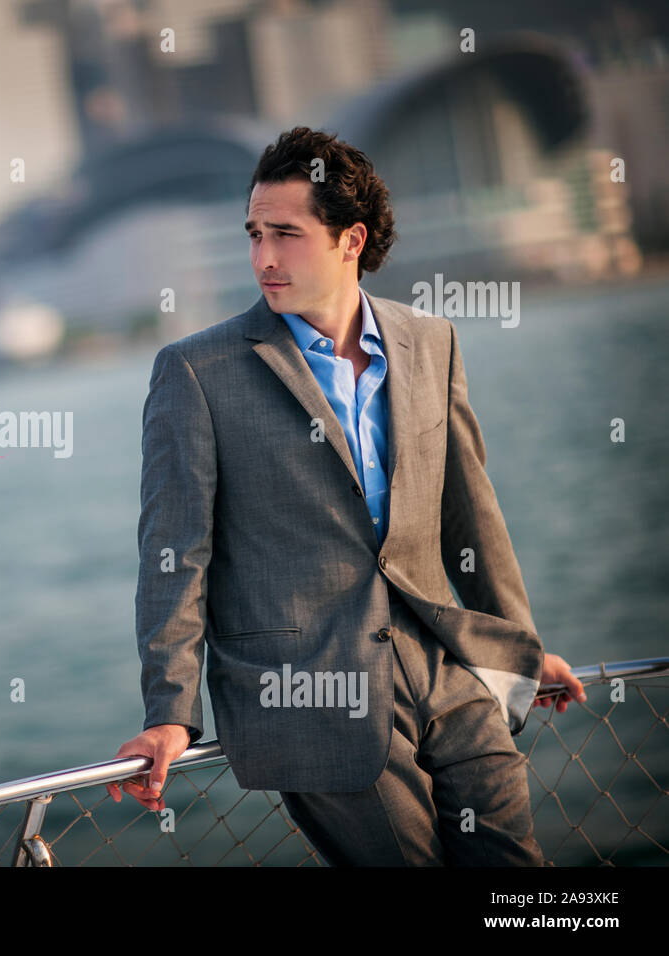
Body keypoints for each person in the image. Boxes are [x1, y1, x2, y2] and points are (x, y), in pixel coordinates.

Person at [107, 126, 585, 866]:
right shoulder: (196, 372)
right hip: (311, 699)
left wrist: (517, 645)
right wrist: (170, 713)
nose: (264, 257)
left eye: (287, 234)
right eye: (254, 234)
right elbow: (175, 554)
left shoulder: (430, 341)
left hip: (453, 674)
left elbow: (469, 510)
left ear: (350, 239)